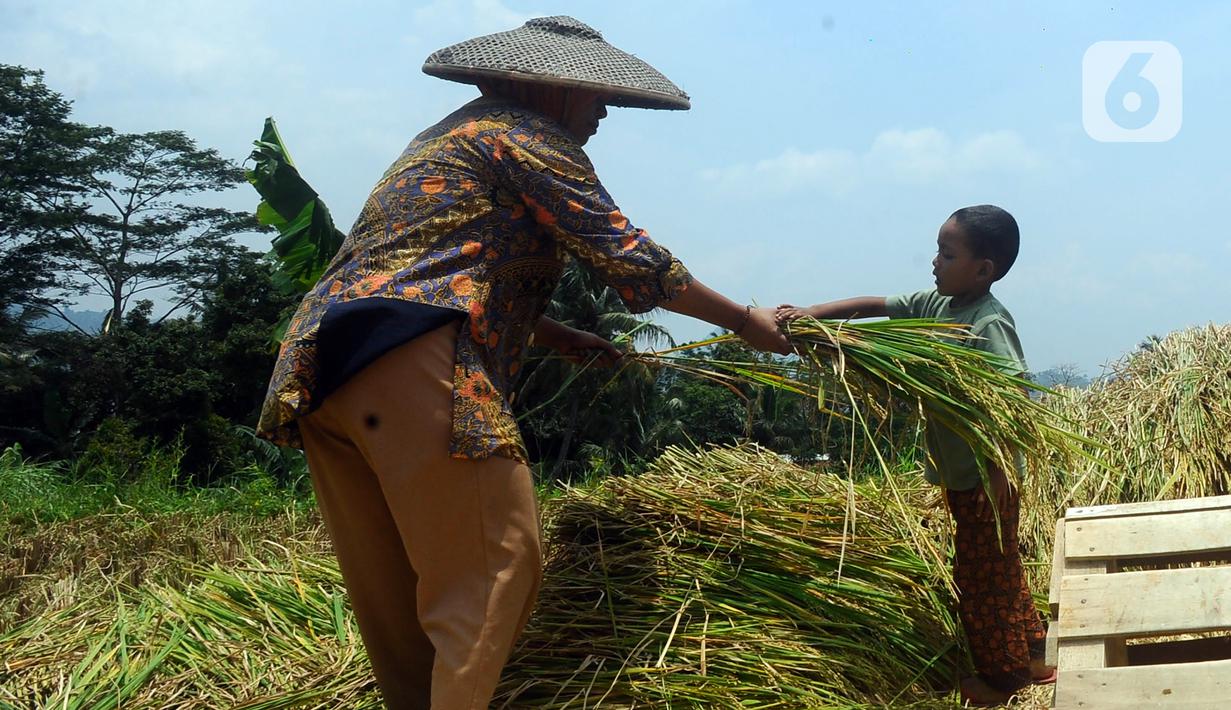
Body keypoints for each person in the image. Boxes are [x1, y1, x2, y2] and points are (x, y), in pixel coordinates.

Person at [256, 16, 789, 710]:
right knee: (497, 566)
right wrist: (744, 320)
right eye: (594, 97)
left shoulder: (445, 139)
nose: (601, 111)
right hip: (411, 361)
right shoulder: (529, 137)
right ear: (550, 88)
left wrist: (558, 334)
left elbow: (433, 268)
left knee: (396, 594)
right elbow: (628, 258)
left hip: (325, 371)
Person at [775, 205, 1054, 705]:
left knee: (980, 576)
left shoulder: (987, 322)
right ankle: (1032, 648)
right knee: (998, 565)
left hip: (987, 480)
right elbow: (873, 304)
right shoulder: (934, 305)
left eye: (947, 254)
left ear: (983, 269)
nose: (934, 262)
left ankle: (1004, 678)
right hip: (960, 475)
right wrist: (811, 315)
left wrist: (997, 474)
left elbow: (1012, 402)